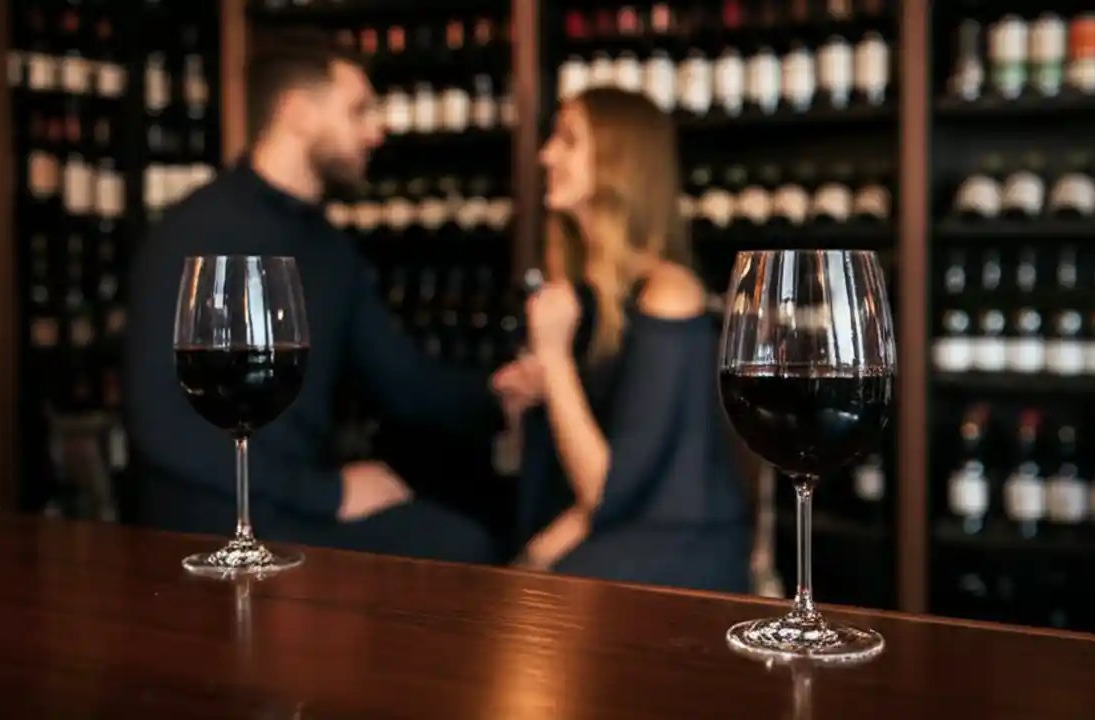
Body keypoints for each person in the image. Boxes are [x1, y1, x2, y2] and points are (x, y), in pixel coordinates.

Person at [123, 29, 512, 564]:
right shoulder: (190, 236)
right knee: (458, 550)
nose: (377, 131)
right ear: (299, 111)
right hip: (205, 522)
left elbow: (403, 382)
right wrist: (330, 493)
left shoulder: (331, 250)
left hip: (294, 512)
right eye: (359, 111)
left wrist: (501, 394)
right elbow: (161, 427)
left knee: (470, 535)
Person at [492, 88, 750, 592]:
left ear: (620, 163)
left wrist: (553, 357)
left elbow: (606, 492)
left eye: (567, 140)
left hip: (682, 548)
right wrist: (542, 390)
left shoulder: (669, 293)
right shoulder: (588, 294)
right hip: (622, 532)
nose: (546, 155)